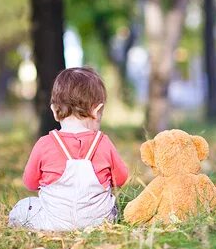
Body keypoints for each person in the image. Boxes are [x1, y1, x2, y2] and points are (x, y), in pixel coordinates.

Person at [9, 67, 129, 231]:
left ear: (54, 111)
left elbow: (30, 183)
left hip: (52, 222)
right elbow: (121, 179)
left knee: (24, 206)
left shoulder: (44, 144)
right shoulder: (103, 143)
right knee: (113, 206)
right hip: (99, 222)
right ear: (97, 110)